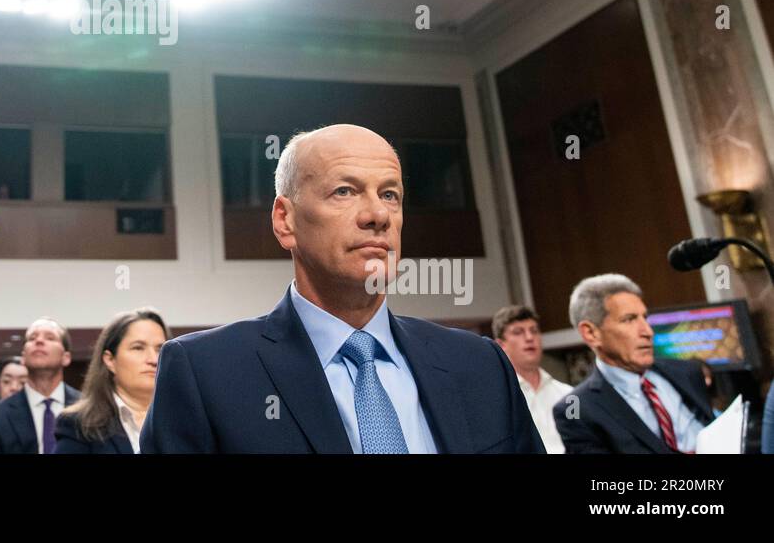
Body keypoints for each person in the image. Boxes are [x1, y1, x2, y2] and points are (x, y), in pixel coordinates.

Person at [141, 124, 543, 453]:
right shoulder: (205, 372)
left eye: (390, 194)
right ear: (285, 221)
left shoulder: (479, 363)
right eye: (344, 191)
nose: (377, 215)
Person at [555, 274, 715, 453]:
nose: (648, 331)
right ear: (591, 333)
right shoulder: (577, 410)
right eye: (629, 319)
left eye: (645, 318)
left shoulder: (688, 371)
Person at [55, 308, 169, 454]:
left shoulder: (186, 419)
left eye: (160, 349)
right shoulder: (78, 424)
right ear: (110, 360)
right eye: (138, 348)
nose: (153, 359)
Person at [0, 318, 81, 453]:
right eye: (32, 338)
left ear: (66, 357)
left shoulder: (90, 409)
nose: (39, 341)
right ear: (24, 358)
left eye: (50, 338)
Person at [492, 304, 572, 453]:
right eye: (518, 332)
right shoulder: (497, 400)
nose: (529, 338)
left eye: (534, 331)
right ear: (501, 345)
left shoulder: (568, 394)